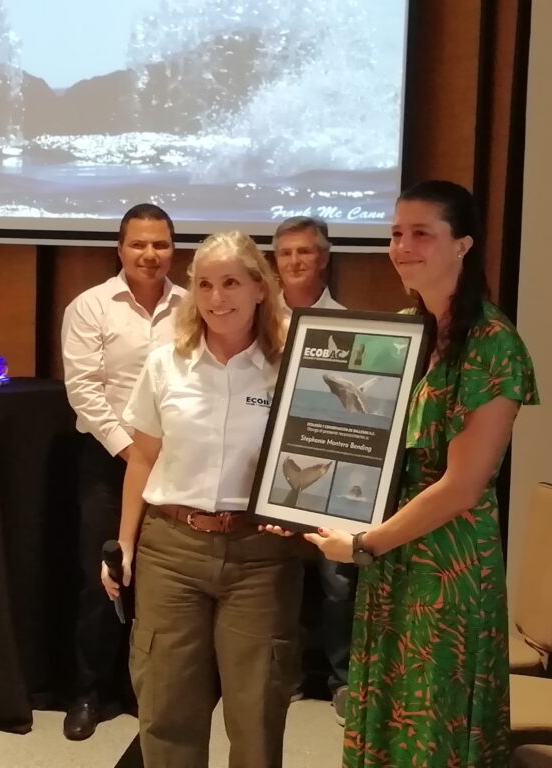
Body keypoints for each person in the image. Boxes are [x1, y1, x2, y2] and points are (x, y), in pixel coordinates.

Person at [303, 181, 539, 767]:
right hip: (395, 556)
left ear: (462, 244)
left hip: (446, 568)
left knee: (433, 726)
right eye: (395, 233)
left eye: (420, 234)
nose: (402, 246)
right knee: (389, 716)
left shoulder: (494, 345)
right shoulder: (408, 328)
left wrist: (363, 543)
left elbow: (462, 487)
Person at [101, 231, 302, 767]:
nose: (217, 298)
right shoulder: (167, 362)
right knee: (167, 707)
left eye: (231, 282)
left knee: (256, 710)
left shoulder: (292, 366)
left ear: (261, 287)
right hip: (173, 550)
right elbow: (143, 459)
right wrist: (125, 544)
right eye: (205, 284)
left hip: (260, 555)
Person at [60, 203, 185, 741]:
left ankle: (146, 691)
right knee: (106, 578)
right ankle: (89, 691)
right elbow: (84, 391)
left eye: (160, 244)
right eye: (139, 244)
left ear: (173, 249)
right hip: (109, 464)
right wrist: (131, 450)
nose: (150, 254)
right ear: (120, 248)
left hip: (180, 464)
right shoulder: (91, 307)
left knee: (162, 581)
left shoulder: (193, 307)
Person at [272, 216, 354, 724]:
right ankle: (285, 675)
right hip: (270, 470)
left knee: (338, 577)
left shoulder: (350, 323)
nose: (296, 261)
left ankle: (344, 678)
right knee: (272, 571)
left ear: (323, 258)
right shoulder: (256, 322)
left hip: (332, 467)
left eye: (306, 252)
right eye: (286, 254)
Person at [273, 216, 345, 315]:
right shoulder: (259, 318)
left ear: (324, 258)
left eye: (304, 252)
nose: (294, 261)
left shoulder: (344, 322)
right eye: (286, 253)